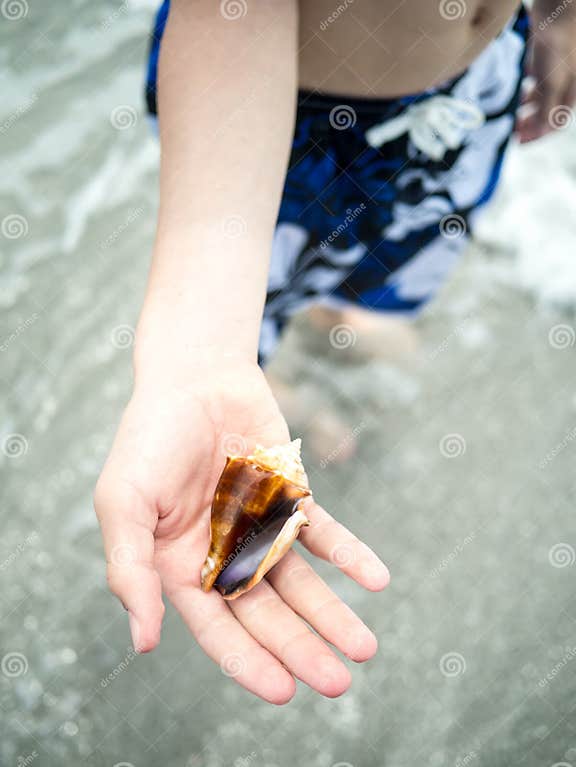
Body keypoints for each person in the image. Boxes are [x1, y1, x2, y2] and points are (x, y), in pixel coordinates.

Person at [94, 0, 576, 704]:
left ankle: (330, 321)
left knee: (376, 275)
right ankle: (272, 381)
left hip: (471, 87)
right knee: (249, 299)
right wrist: (198, 366)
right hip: (281, 108)